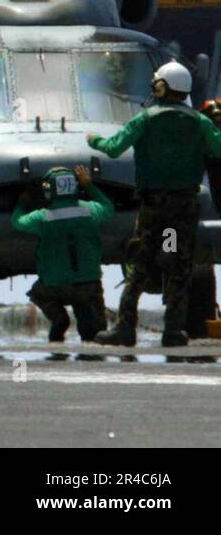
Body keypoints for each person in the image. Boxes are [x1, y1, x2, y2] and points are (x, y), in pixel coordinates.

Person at [87, 60, 221, 347]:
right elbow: (218, 148)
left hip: (153, 211)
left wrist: (94, 140)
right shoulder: (200, 122)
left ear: (162, 86)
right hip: (182, 212)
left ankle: (125, 329)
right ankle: (173, 330)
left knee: (142, 265)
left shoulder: (145, 119)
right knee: (176, 264)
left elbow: (113, 148)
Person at [11, 166, 113, 341]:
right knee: (94, 332)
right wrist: (89, 186)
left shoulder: (42, 217)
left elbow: (18, 222)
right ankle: (91, 333)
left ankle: (58, 316)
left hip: (53, 286)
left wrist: (22, 202)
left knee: (37, 293)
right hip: (87, 285)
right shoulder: (91, 210)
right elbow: (108, 208)